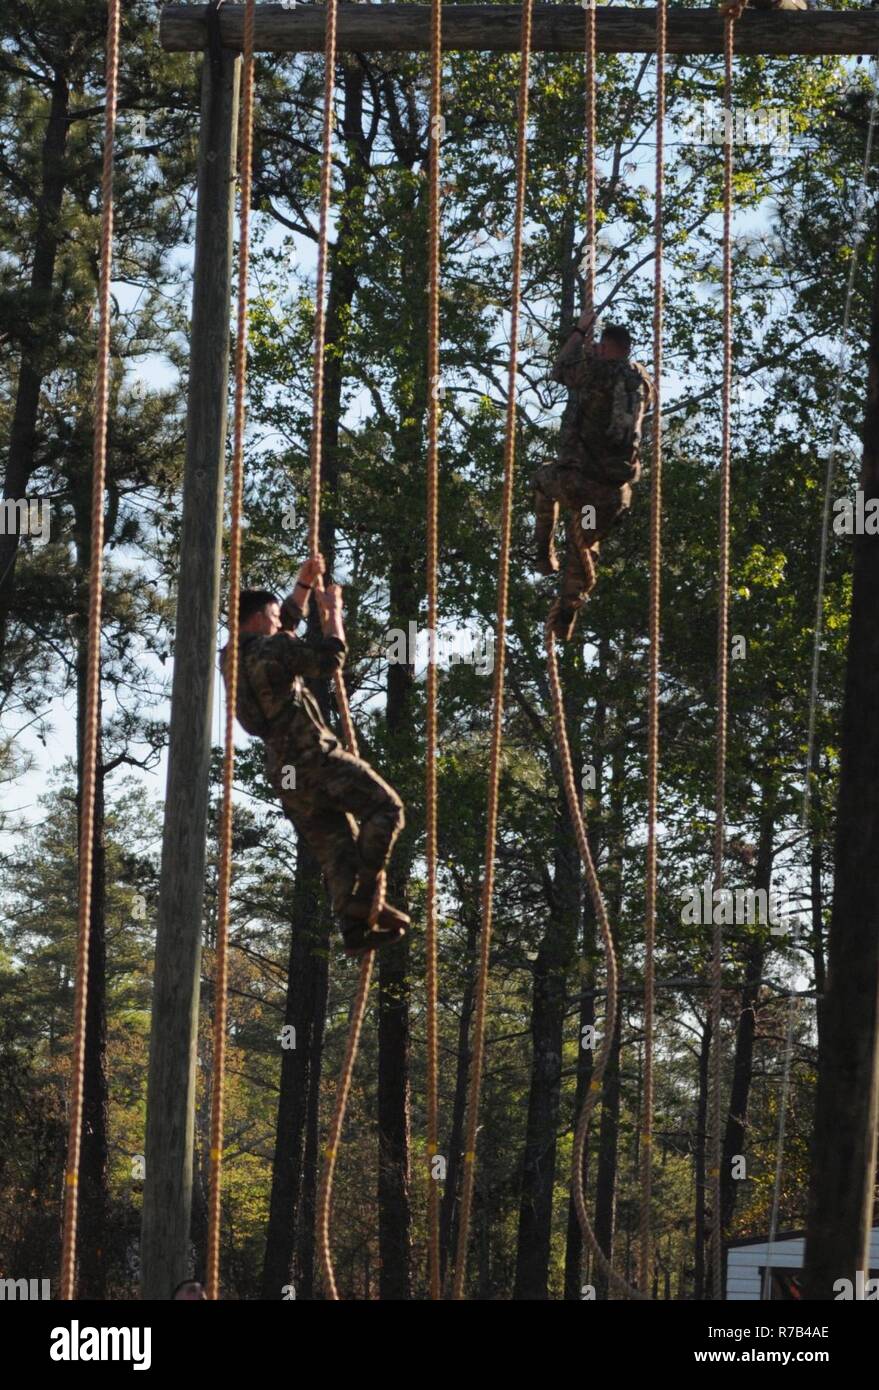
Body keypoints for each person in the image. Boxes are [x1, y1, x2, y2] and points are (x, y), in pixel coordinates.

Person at [219, 557, 408, 955]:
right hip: (311, 757)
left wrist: (301, 588)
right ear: (256, 619)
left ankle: (354, 930)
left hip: (285, 774)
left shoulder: (232, 656)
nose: (279, 621)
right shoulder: (275, 647)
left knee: (337, 849)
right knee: (386, 808)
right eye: (272, 616)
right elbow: (330, 659)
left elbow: (283, 624)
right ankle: (367, 895)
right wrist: (332, 613)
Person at [534, 310, 654, 640]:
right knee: (583, 540)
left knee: (542, 480)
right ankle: (568, 610)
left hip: (578, 485)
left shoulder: (596, 371)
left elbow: (559, 369)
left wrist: (578, 332)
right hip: (610, 496)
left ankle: (542, 554)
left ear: (606, 346)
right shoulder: (641, 381)